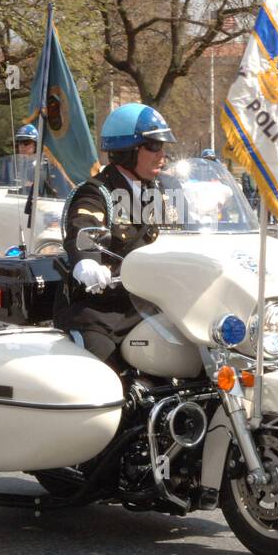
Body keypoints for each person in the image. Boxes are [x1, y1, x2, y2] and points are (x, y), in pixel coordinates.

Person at [56, 102, 176, 369]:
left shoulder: (161, 190)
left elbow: (184, 231)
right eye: (154, 146)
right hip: (104, 309)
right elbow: (83, 226)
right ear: (127, 151)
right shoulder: (97, 192)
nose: (162, 155)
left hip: (152, 304)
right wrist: (87, 261)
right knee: (103, 378)